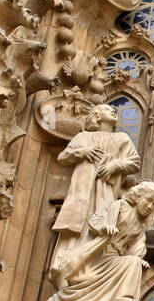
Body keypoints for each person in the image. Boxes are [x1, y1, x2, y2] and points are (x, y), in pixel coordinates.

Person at [35, 181, 154, 301]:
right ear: (138, 196)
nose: (150, 207)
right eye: (149, 200)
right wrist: (103, 227)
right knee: (83, 286)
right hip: (100, 253)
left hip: (115, 258)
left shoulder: (140, 226)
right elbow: (97, 219)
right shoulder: (120, 206)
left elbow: (137, 248)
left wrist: (139, 260)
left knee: (133, 264)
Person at [51, 103, 140, 257]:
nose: (113, 110)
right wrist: (82, 152)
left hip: (107, 187)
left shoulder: (121, 138)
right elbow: (63, 157)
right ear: (97, 116)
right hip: (82, 189)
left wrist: (115, 165)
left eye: (114, 110)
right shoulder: (83, 137)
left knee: (103, 218)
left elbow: (135, 162)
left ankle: (95, 257)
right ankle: (69, 258)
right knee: (80, 221)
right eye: (107, 109)